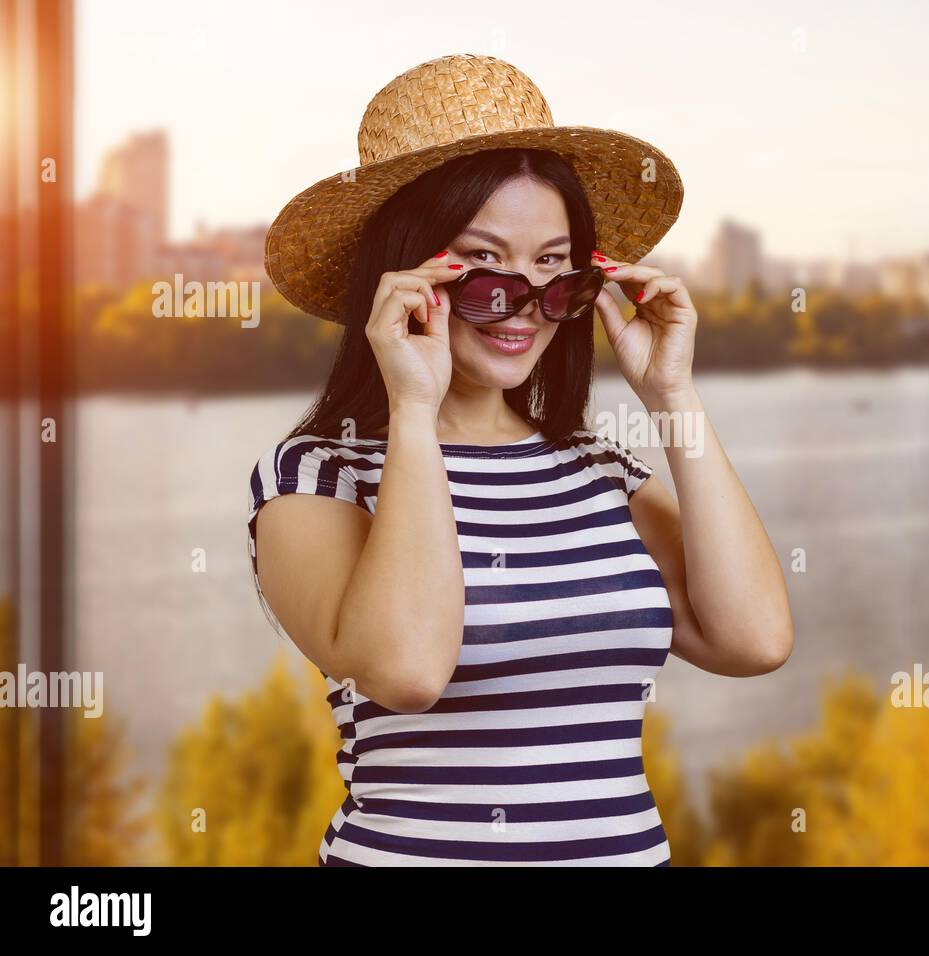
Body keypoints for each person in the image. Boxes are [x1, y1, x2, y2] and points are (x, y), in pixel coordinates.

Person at [247, 54, 792, 866]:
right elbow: (408, 669)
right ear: (405, 274)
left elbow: (752, 641)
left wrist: (672, 398)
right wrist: (416, 409)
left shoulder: (599, 470)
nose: (525, 303)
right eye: (483, 265)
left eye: (552, 266)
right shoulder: (317, 478)